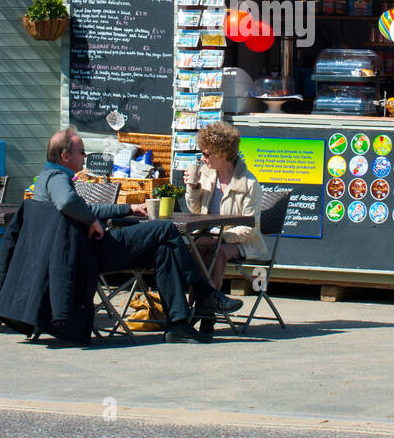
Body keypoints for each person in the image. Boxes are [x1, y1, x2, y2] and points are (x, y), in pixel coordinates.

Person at [34, 127, 242, 344]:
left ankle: (178, 324)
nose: (85, 156)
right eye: (82, 152)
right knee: (164, 228)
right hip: (89, 252)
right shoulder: (57, 178)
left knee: (164, 250)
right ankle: (204, 292)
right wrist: (92, 221)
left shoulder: (46, 179)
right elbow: (69, 203)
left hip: (83, 251)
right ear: (65, 156)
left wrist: (128, 209)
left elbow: (86, 208)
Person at [185, 122, 266, 291]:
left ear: (223, 154)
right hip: (210, 238)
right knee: (196, 247)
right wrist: (193, 188)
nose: (202, 158)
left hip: (243, 243)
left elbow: (249, 228)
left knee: (217, 250)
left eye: (206, 154)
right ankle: (196, 303)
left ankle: (208, 304)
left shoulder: (249, 184)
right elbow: (196, 212)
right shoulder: (207, 175)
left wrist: (221, 236)